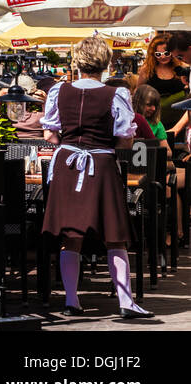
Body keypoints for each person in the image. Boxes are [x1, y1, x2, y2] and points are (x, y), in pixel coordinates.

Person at [42, 35, 150, 319]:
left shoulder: (58, 91)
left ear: (76, 62)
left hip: (67, 163)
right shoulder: (117, 94)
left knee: (70, 235)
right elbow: (126, 140)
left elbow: (50, 135)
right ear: (106, 64)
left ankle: (71, 300)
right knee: (114, 236)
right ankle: (126, 302)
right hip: (101, 164)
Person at [138, 34, 188, 129]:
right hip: (154, 119)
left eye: (166, 53)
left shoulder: (183, 67)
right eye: (158, 54)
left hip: (179, 120)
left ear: (172, 52)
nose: (163, 57)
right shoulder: (147, 69)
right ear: (153, 54)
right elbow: (139, 90)